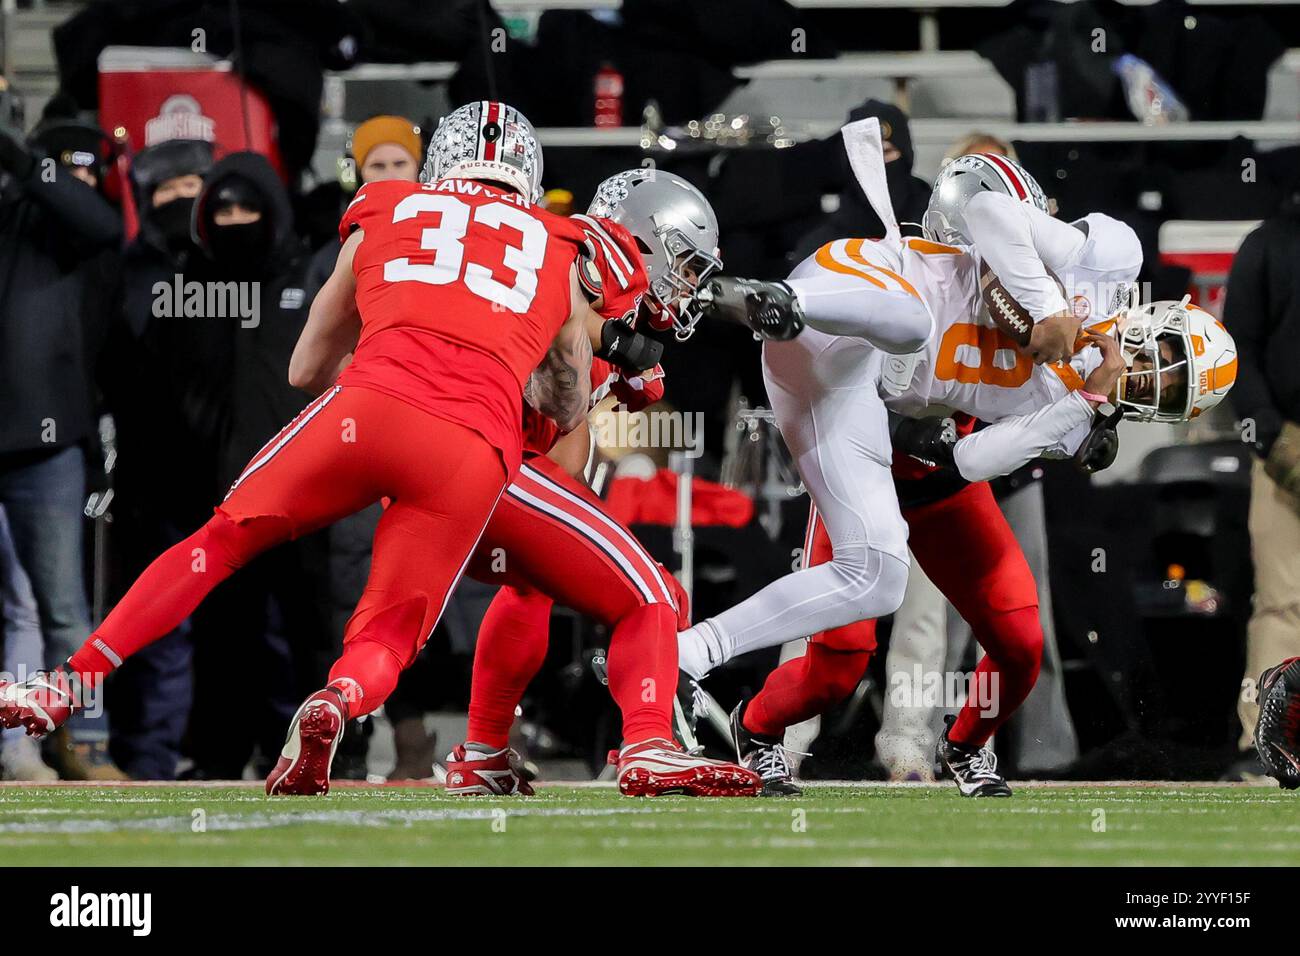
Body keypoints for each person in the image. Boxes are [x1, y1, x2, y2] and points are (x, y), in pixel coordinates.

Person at [0, 101, 602, 797]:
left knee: (219, 541)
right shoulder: (561, 250)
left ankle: (71, 682)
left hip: (369, 406)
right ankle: (337, 701)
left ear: (438, 164)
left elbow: (304, 369)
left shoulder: (387, 209)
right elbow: (566, 404)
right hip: (469, 442)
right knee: (385, 634)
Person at [681, 125, 1237, 797]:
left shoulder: (1078, 397)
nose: (1149, 378)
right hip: (860, 413)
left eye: (1166, 391)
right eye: (1163, 361)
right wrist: (1050, 306)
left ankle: (966, 746)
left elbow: (971, 460)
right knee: (838, 663)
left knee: (1020, 640)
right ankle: (761, 728)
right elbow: (988, 210)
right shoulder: (1097, 262)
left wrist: (1078, 408)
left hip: (931, 472)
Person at [446, 168, 753, 797]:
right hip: (493, 462)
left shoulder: (615, 300)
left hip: (481, 475)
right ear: (644, 243)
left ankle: (482, 750)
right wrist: (612, 347)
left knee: (532, 589)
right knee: (656, 594)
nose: (693, 288)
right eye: (687, 266)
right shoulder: (583, 261)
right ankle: (648, 742)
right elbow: (556, 343)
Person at [0, 108, 122, 779]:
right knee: (20, 604)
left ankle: (83, 741)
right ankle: (15, 748)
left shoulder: (71, 227)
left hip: (45, 445)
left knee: (61, 608)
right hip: (30, 438)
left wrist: (22, 158)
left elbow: (101, 220)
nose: (76, 176)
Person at [1222, 183, 1300, 772]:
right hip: (1287, 443)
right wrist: (1267, 435)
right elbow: (1237, 348)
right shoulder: (1268, 244)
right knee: (1282, 602)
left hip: (1282, 438)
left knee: (1281, 605)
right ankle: (1264, 743)